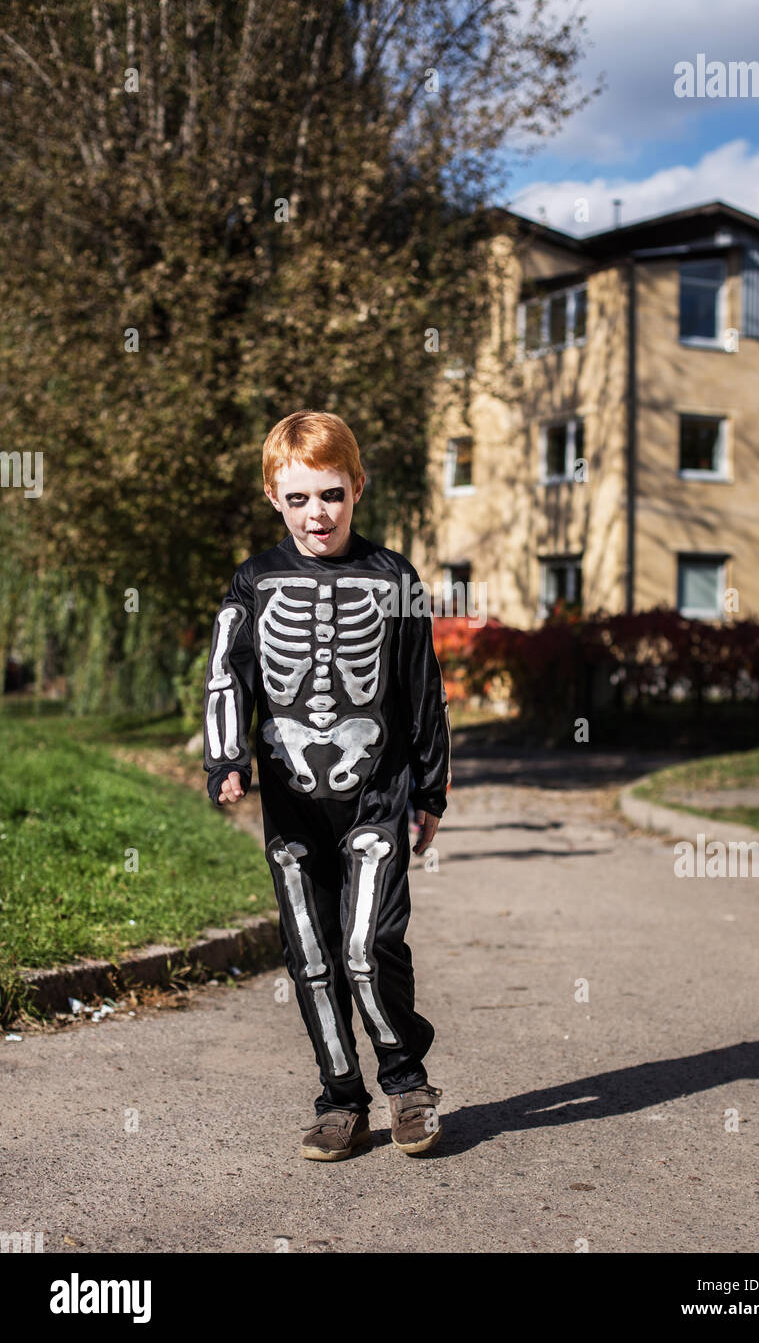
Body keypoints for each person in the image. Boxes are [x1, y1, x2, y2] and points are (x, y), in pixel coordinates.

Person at [203, 410, 452, 1162]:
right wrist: (227, 761)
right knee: (311, 955)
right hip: (291, 806)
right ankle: (341, 1098)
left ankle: (406, 1083)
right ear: (274, 497)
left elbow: (421, 687)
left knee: (369, 946)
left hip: (377, 795)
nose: (319, 514)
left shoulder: (393, 576)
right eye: (302, 498)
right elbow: (228, 674)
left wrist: (431, 791)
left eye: (334, 495)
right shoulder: (253, 580)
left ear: (359, 489)